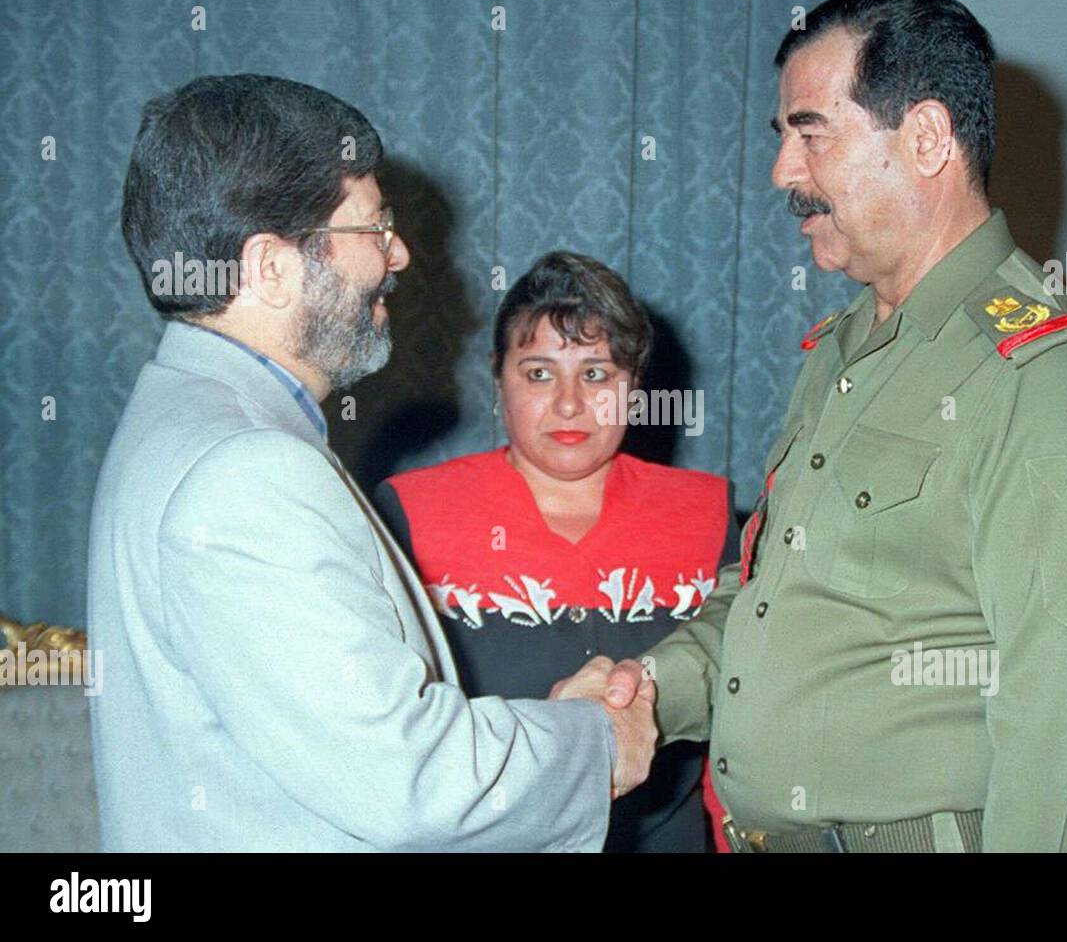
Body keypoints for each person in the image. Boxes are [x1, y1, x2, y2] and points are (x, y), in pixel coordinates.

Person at [593, 0, 1067, 852]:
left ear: (927, 139)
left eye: (810, 133)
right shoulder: (843, 350)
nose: (783, 171)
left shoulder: (1050, 380)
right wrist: (647, 690)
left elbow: (1059, 737)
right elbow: (772, 599)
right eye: (782, 137)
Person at [88, 74, 655, 852]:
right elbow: (409, 779)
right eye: (373, 227)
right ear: (271, 267)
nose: (399, 253)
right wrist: (594, 742)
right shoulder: (244, 469)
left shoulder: (184, 414)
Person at [374, 251, 738, 852]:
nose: (569, 404)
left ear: (635, 387)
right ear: (498, 377)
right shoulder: (409, 513)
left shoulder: (709, 513)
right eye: (539, 373)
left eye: (596, 374)